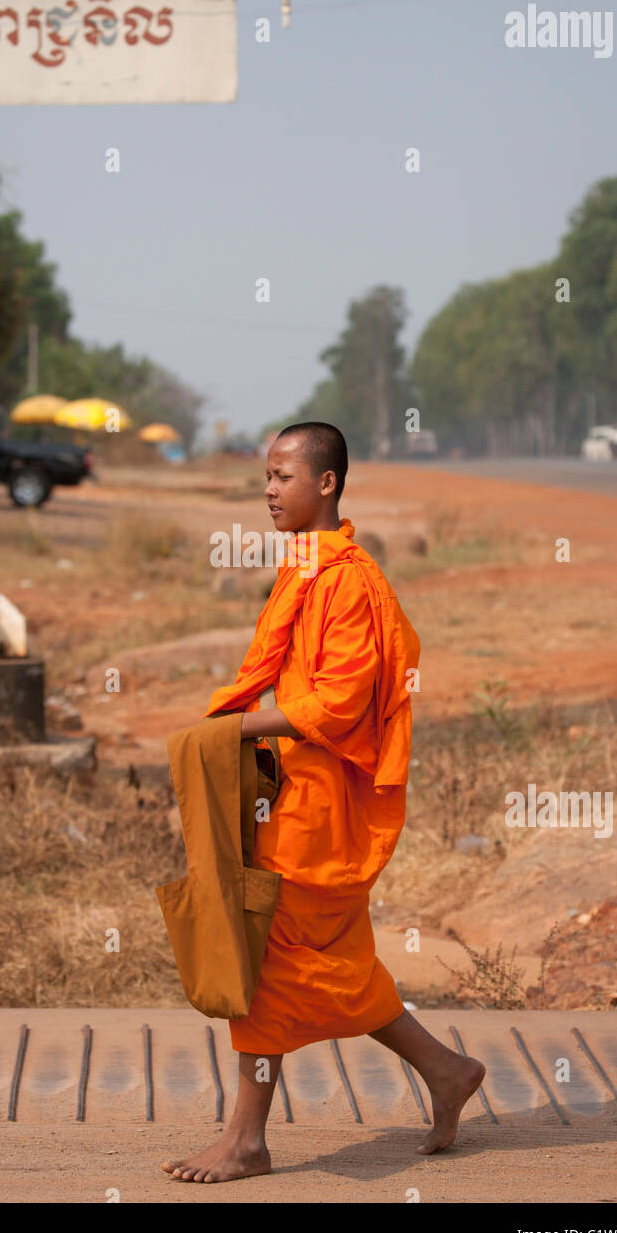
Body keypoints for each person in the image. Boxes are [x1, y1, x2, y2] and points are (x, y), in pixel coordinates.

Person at [162, 422, 484, 1184]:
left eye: (281, 477)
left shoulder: (345, 579)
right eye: (265, 479)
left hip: (321, 800)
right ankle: (446, 1071)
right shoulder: (308, 569)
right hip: (298, 791)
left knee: (269, 956)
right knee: (323, 960)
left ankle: (246, 1140)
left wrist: (233, 728)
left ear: (326, 483)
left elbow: (338, 703)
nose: (269, 492)